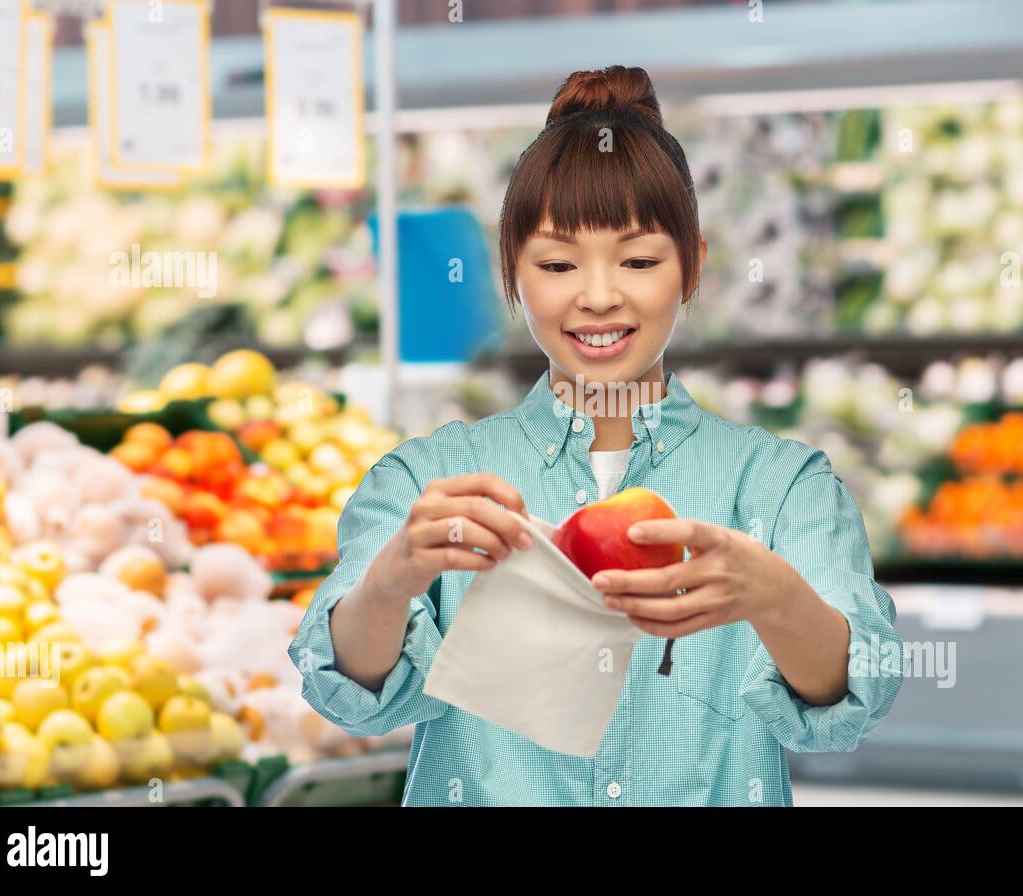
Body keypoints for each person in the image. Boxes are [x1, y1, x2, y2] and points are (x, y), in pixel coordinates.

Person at [289, 65, 903, 806]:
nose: (599, 296)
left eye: (640, 260)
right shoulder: (430, 483)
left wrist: (771, 595)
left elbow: (848, 703)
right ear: (512, 273)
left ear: (693, 267)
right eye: (556, 263)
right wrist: (390, 581)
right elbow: (349, 694)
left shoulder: (779, 487)